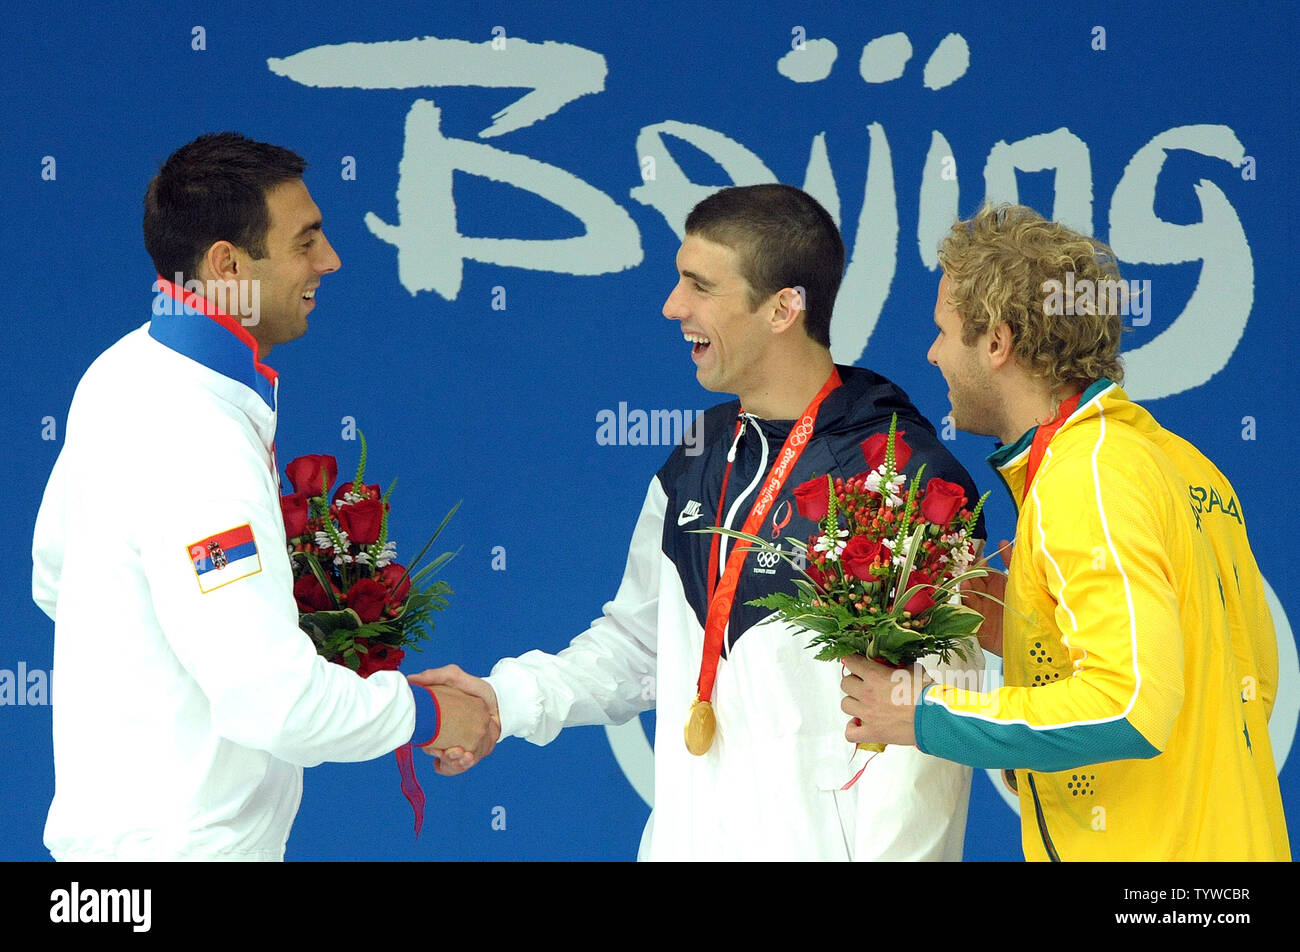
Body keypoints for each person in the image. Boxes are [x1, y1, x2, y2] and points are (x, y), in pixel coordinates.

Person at [429, 184, 986, 860]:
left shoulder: (903, 481)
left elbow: (926, 747)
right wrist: (504, 701)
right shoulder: (700, 454)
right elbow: (639, 647)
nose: (673, 306)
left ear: (785, 307)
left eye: (700, 285)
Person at [30, 132, 497, 861]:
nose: (330, 260)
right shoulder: (197, 434)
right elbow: (272, 702)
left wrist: (239, 629)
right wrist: (431, 713)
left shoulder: (122, 371)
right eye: (305, 240)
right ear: (228, 264)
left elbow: (59, 579)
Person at [839, 203, 1290, 860]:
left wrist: (923, 714)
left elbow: (1129, 703)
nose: (932, 354)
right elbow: (1245, 680)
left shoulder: (1089, 479)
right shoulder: (1179, 464)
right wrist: (1008, 614)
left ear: (997, 341)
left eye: (942, 331)